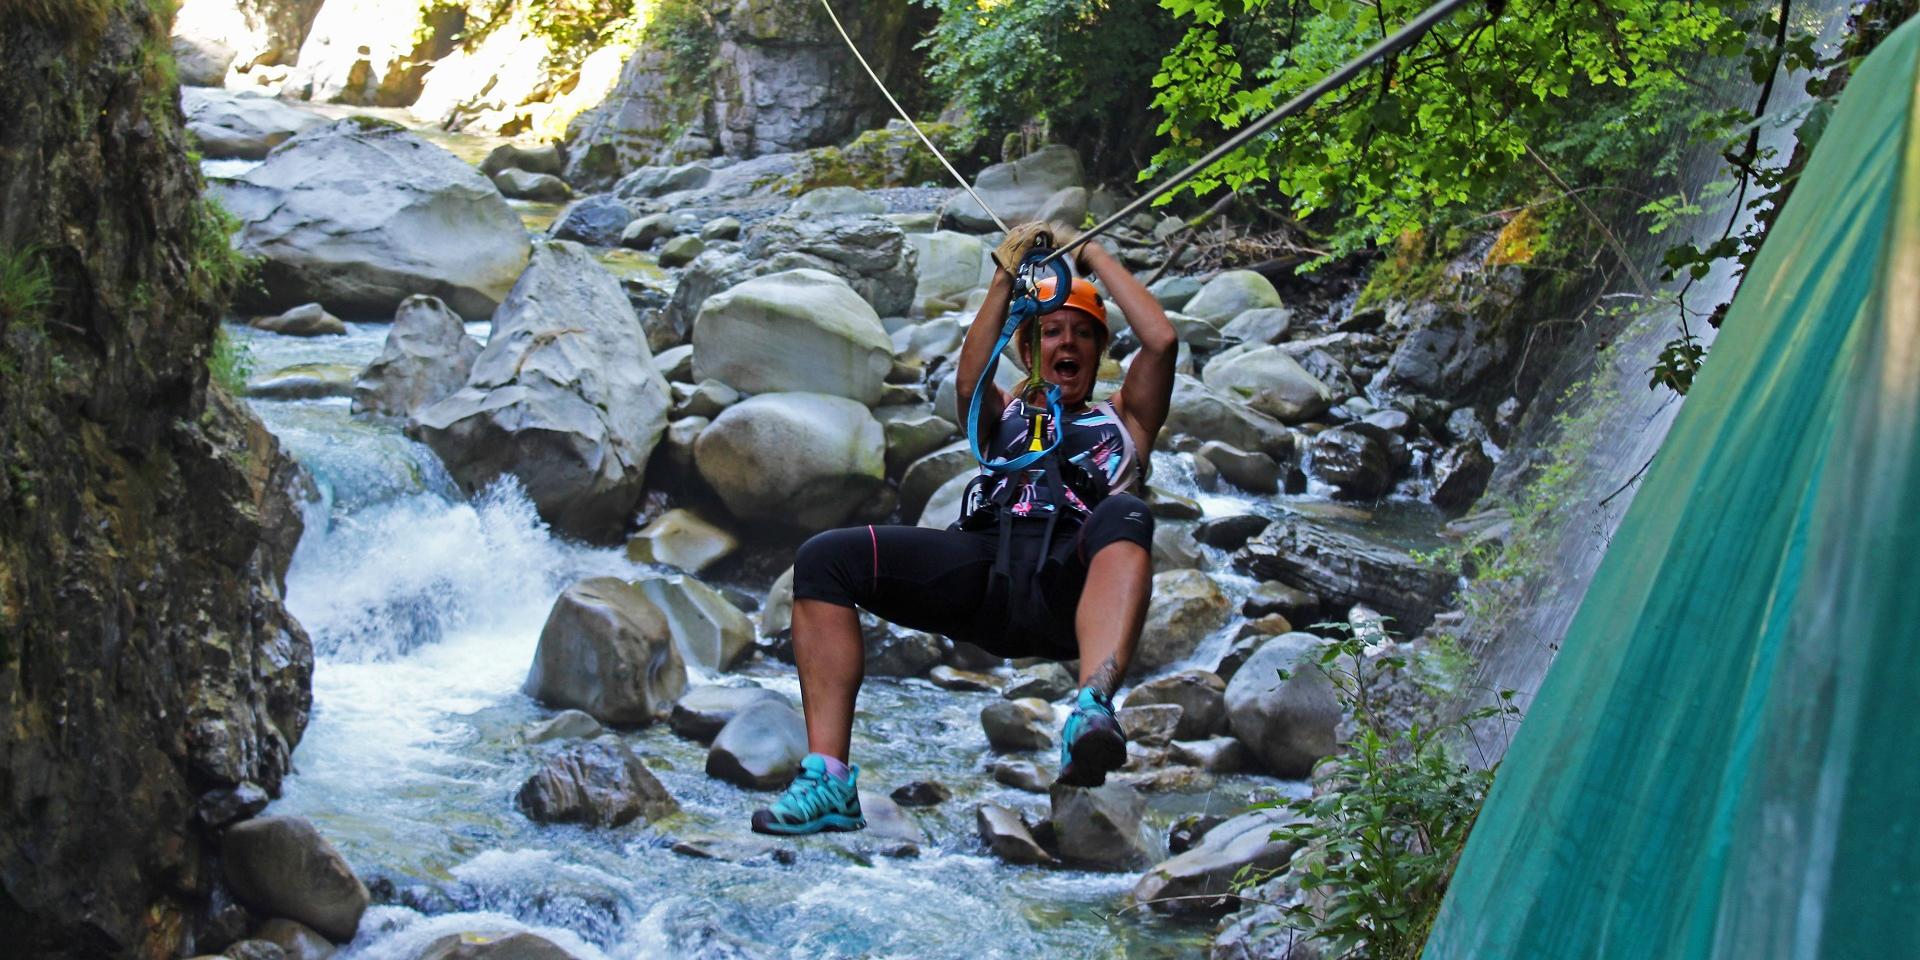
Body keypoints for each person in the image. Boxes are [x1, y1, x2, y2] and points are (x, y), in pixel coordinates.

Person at [750, 221, 1179, 836]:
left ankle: (1092, 710)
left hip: (1071, 583)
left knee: (1127, 513)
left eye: (1084, 334)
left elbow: (1161, 341)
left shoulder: (1126, 418)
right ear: (1028, 350)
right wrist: (1006, 276)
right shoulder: (1000, 412)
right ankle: (828, 779)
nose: (1069, 343)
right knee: (825, 560)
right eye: (1053, 331)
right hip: (984, 571)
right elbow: (968, 379)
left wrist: (1086, 252)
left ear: (1100, 351)